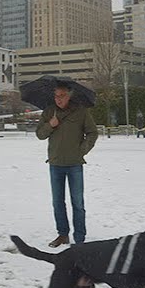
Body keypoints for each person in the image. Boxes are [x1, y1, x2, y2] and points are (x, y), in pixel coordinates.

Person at [35, 83, 98, 247]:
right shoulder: (49, 111)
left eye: (61, 96)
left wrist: (82, 151)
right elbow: (40, 134)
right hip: (55, 164)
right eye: (56, 96)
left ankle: (80, 239)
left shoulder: (81, 111)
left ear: (69, 96)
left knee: (77, 203)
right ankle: (62, 235)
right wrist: (51, 125)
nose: (58, 99)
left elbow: (92, 133)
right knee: (58, 202)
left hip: (75, 164)